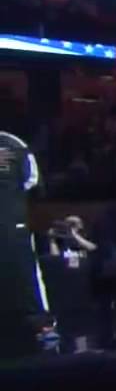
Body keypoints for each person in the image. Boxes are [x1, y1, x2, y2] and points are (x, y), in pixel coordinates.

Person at [0, 129, 54, 347]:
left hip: (13, 226)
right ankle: (45, 331)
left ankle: (44, 329)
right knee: (28, 275)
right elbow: (33, 184)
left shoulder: (14, 143)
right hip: (14, 226)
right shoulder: (14, 143)